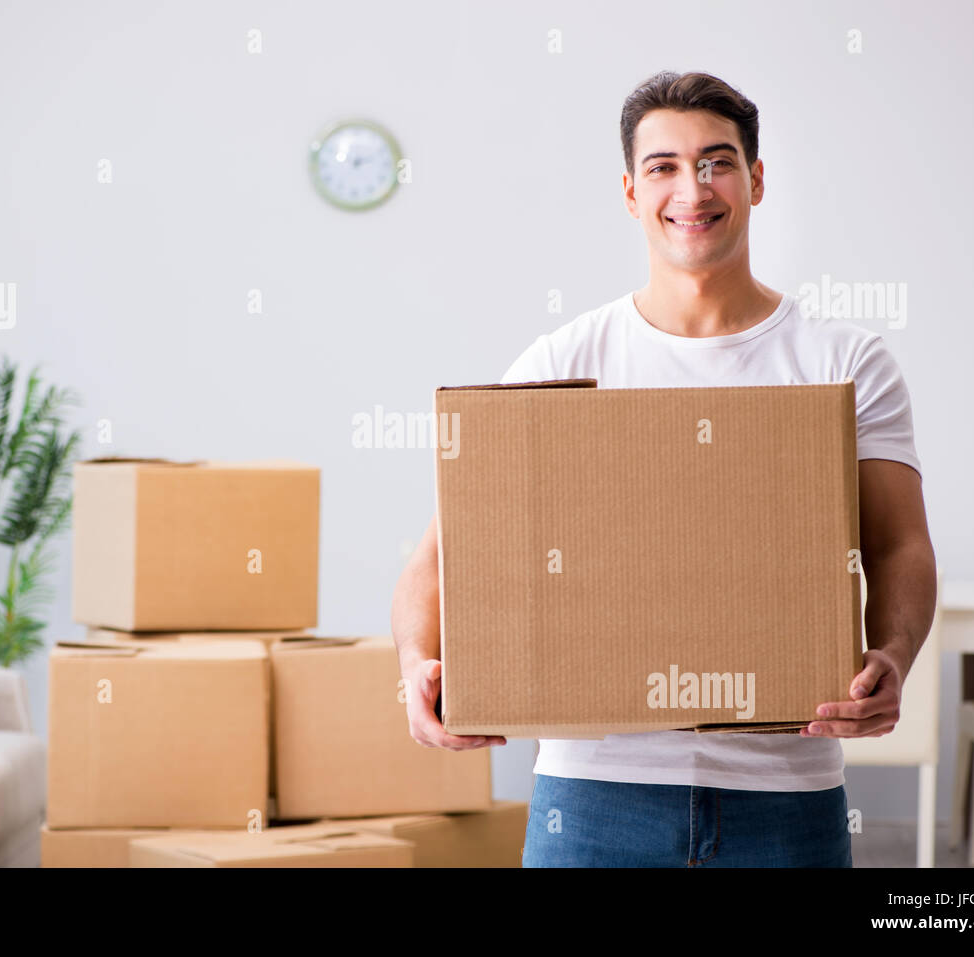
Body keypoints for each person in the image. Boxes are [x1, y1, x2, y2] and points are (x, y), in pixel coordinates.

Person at [389, 70, 938, 868]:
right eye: (664, 167)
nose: (693, 188)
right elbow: (440, 557)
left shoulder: (843, 361)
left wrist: (891, 656)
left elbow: (898, 546)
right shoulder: (564, 361)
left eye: (717, 162)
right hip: (593, 796)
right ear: (629, 190)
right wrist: (417, 663)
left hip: (785, 792)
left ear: (755, 179)